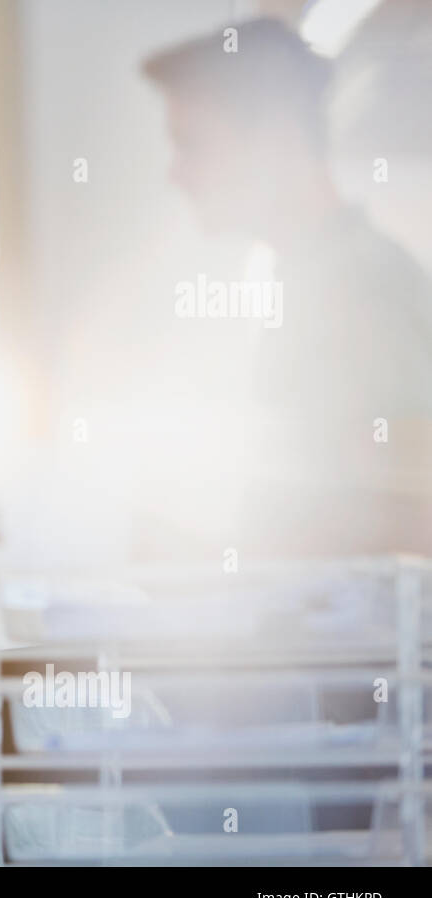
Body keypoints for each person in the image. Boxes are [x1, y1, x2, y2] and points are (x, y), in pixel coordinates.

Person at [141, 17, 432, 560]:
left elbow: (416, 525)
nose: (176, 173)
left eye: (192, 144)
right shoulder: (303, 282)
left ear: (274, 139)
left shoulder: (368, 287)